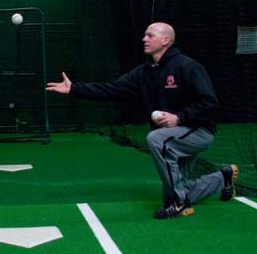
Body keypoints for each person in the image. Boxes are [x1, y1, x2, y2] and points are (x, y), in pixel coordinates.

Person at [46, 22, 238, 219]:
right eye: (145, 35)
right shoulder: (144, 72)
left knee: (157, 140)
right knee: (178, 186)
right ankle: (222, 178)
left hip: (197, 131)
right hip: (173, 138)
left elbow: (209, 102)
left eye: (150, 35)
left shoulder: (187, 66)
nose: (144, 39)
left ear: (166, 41)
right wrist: (74, 88)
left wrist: (179, 118)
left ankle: (178, 204)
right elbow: (112, 89)